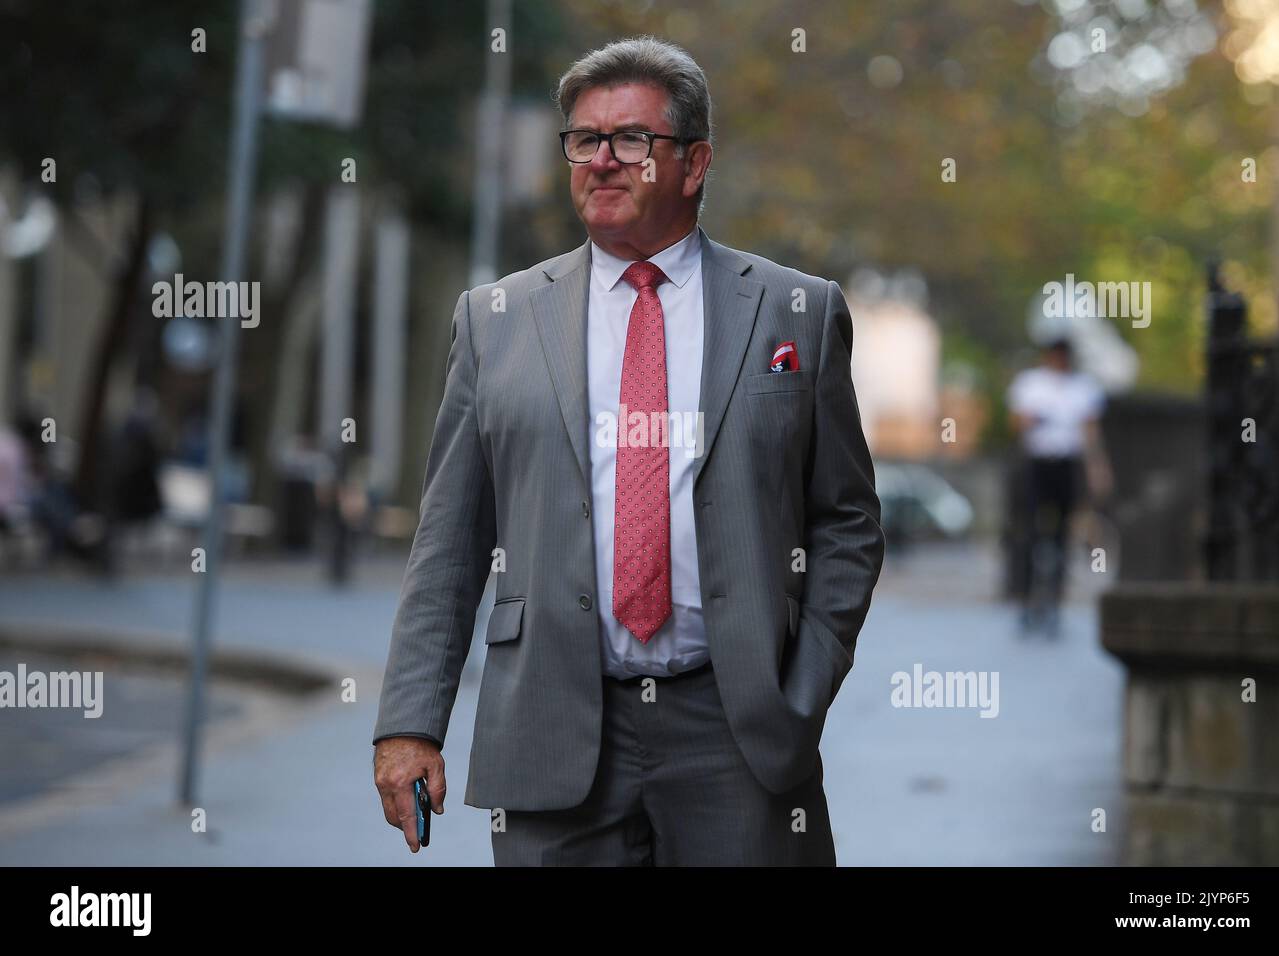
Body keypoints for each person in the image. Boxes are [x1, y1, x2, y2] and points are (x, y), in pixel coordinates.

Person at [372, 37, 885, 866]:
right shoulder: (495, 320)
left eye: (632, 141)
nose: (603, 160)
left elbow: (847, 521)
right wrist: (407, 721)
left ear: (694, 163)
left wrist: (801, 688)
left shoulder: (797, 311)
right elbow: (448, 541)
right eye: (584, 139)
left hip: (738, 734)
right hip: (549, 728)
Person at [1006, 338, 1111, 634]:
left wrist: (1098, 469)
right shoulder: (1031, 384)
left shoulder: (1082, 388)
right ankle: (1026, 601)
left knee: (1063, 537)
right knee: (1029, 534)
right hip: (1037, 465)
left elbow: (1090, 432)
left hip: (1067, 465)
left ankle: (1054, 602)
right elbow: (1018, 423)